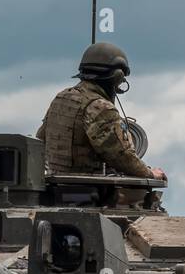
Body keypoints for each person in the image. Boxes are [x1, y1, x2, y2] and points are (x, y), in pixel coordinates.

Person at [38, 42, 166, 181]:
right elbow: (121, 156)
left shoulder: (62, 97)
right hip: (88, 188)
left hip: (55, 185)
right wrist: (150, 174)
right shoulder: (101, 107)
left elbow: (40, 138)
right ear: (117, 76)